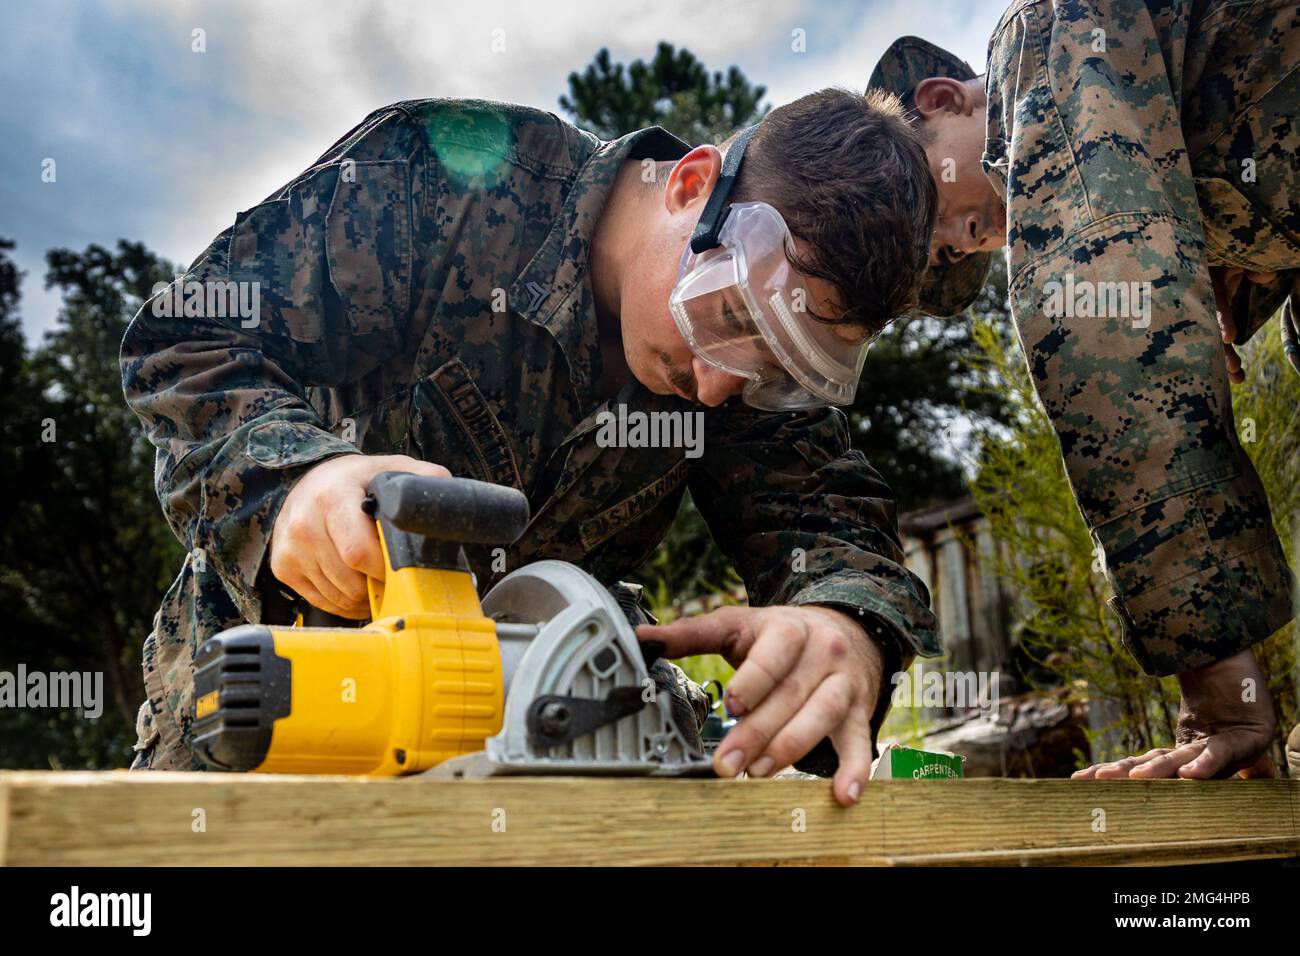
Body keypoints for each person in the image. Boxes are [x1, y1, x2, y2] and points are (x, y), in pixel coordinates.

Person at [121, 90, 939, 805]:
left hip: (538, 751)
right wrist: (300, 479)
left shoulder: (744, 356)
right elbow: (188, 342)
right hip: (280, 697)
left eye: (776, 371)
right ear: (691, 186)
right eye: (728, 320)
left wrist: (848, 631)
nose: (722, 385)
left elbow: (834, 529)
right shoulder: (444, 177)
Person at [868, 0, 1299, 779]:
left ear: (938, 101)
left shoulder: (1041, 36)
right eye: (950, 255)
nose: (965, 245)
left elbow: (1107, 333)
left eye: (936, 219)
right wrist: (1222, 293)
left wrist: (1217, 685)